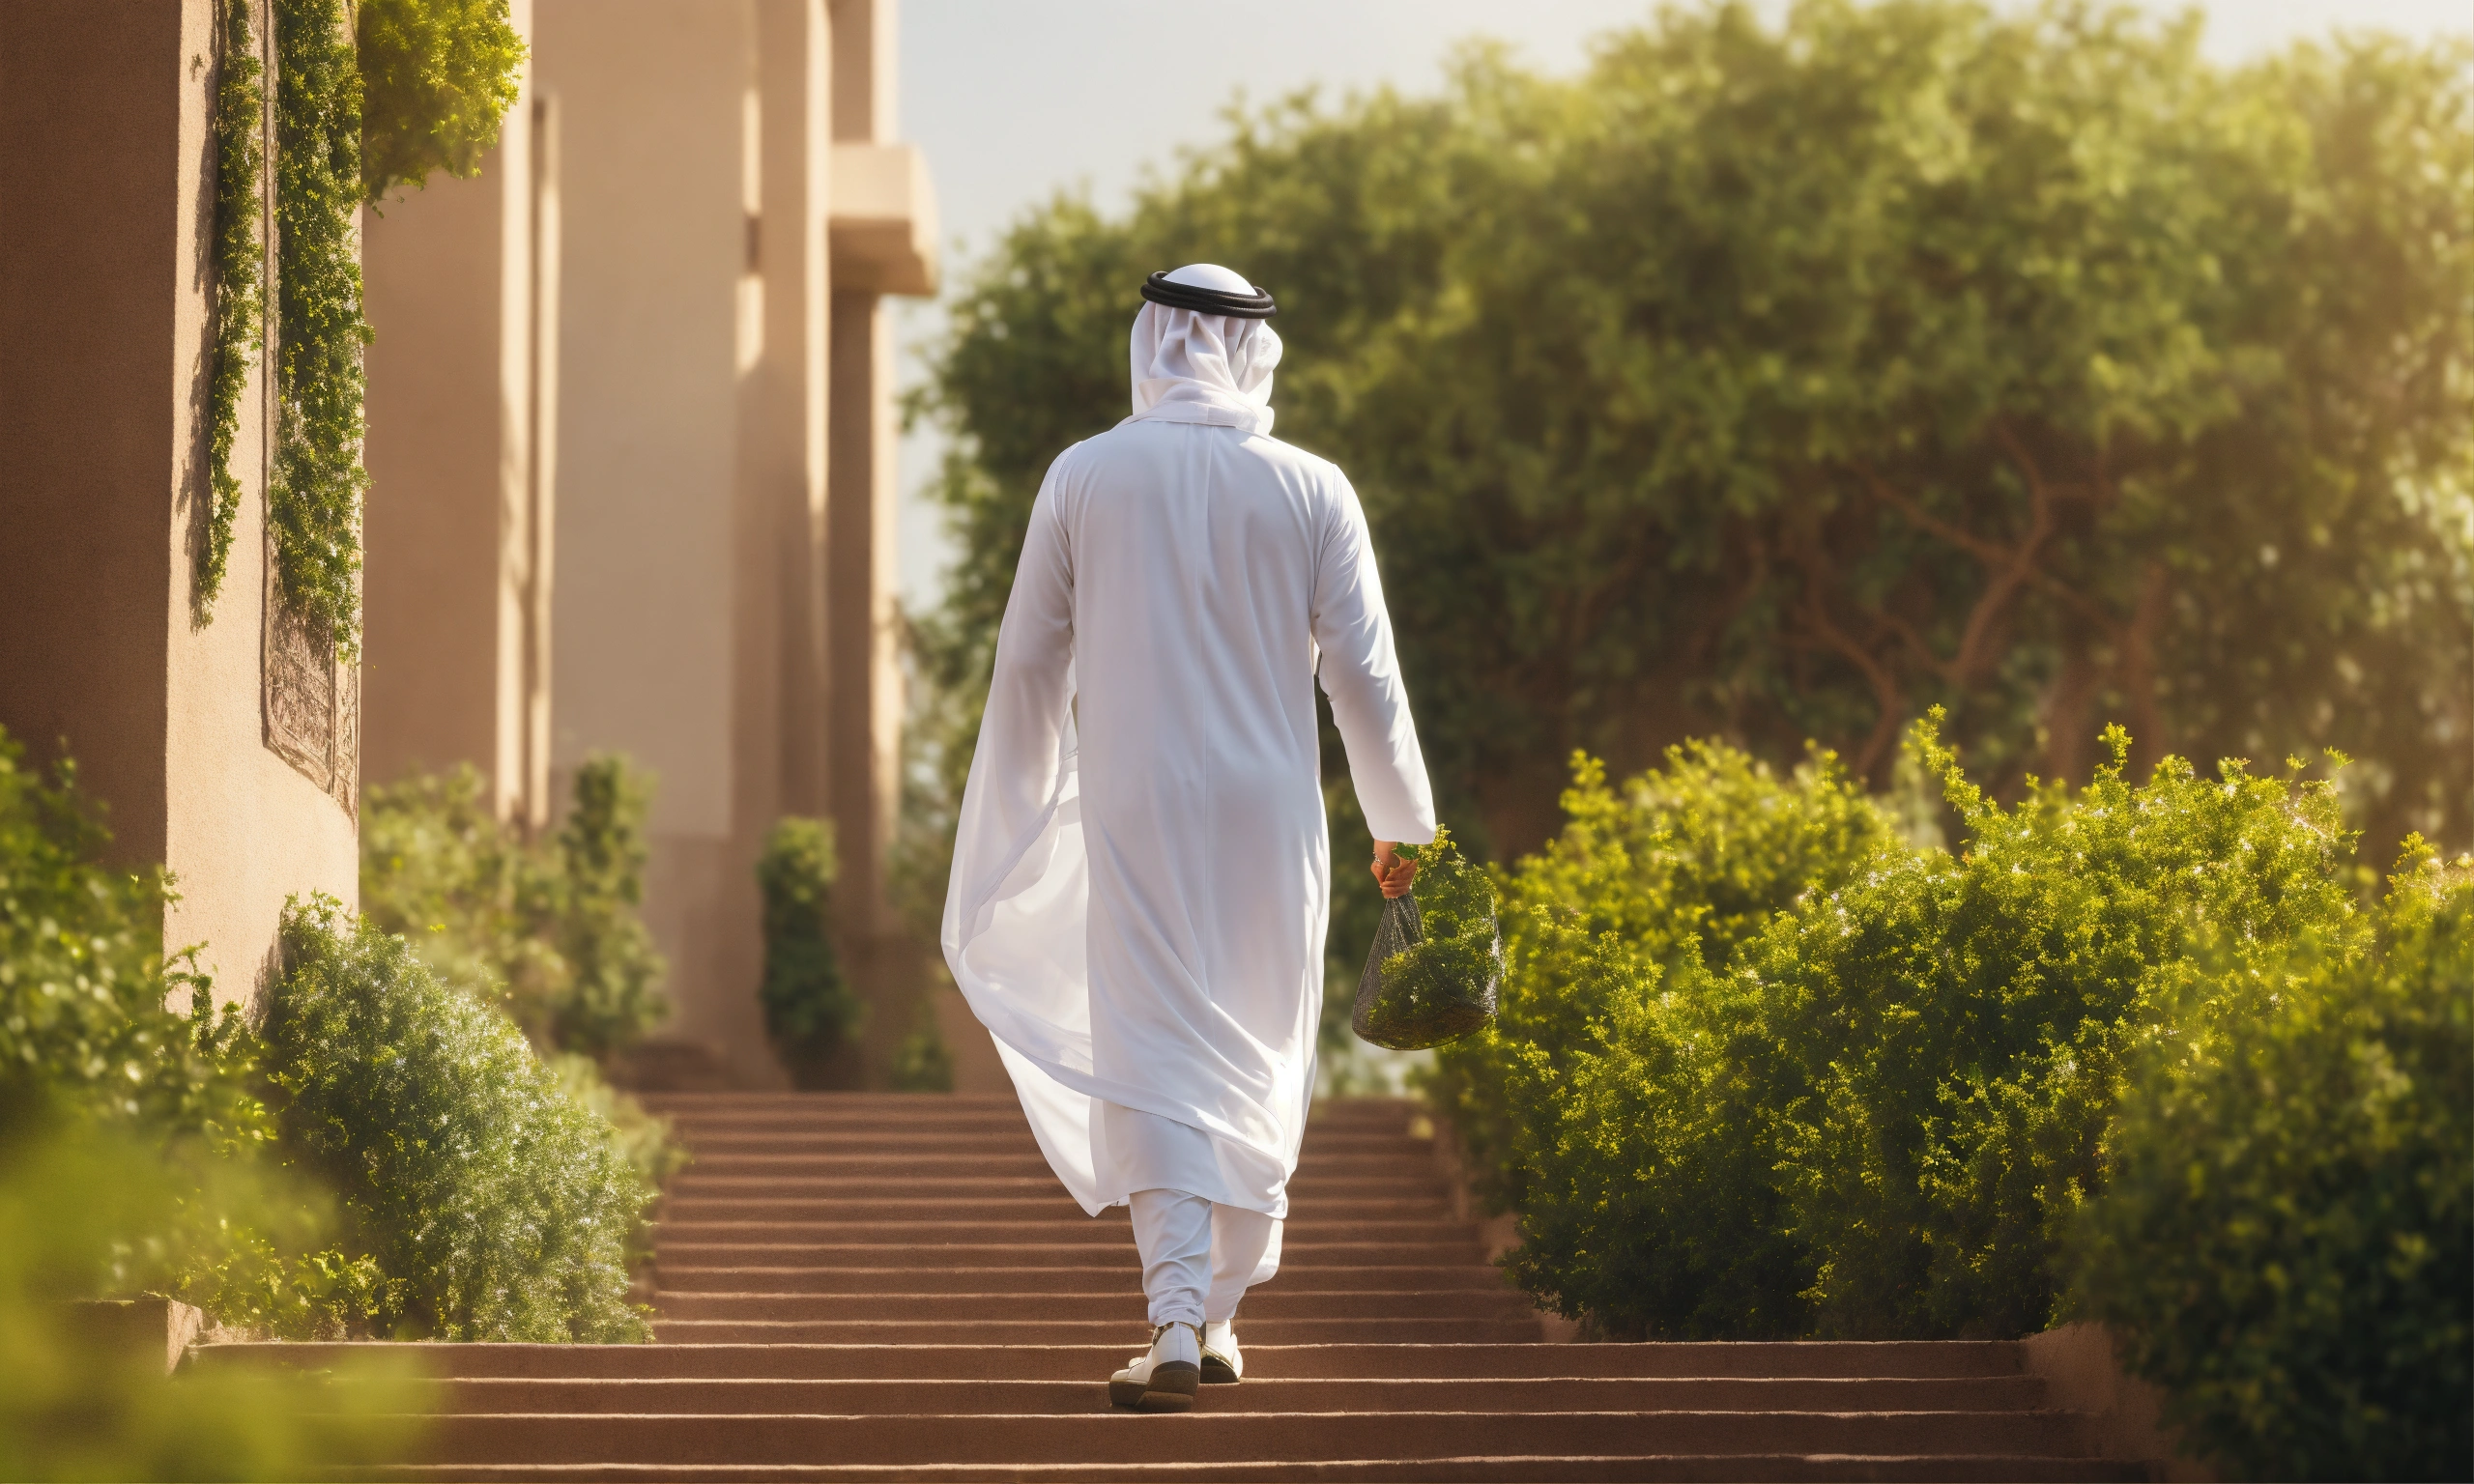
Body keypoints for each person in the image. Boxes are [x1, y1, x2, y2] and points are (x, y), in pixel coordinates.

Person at [941, 262, 1434, 1413]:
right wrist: (1407, 838)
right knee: (1259, 1046)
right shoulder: (1315, 487)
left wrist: (1021, 808)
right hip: (1271, 811)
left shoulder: (1084, 476)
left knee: (1156, 1049)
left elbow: (1026, 665)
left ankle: (1176, 1320)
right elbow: (1366, 683)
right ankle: (1211, 1318)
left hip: (1136, 803)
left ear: (1151, 339)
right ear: (1254, 350)